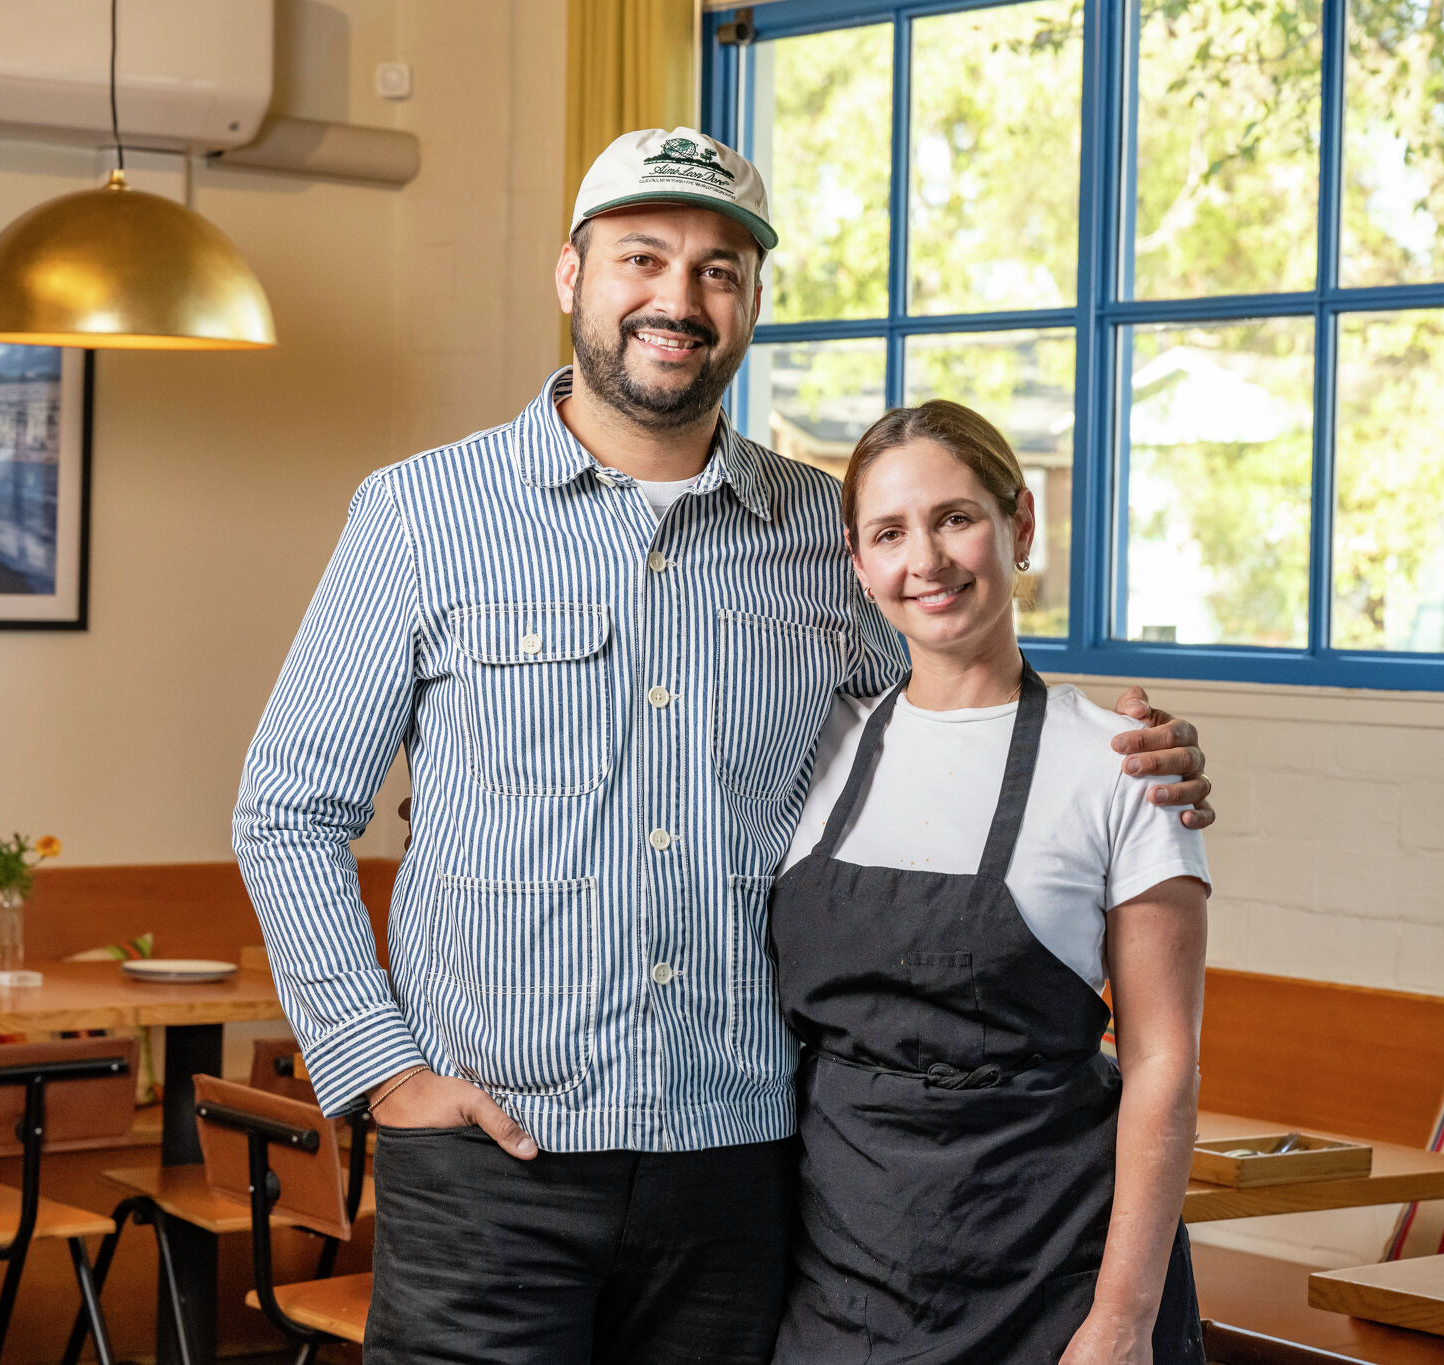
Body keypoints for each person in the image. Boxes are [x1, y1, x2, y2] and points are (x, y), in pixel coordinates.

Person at [233, 127, 1214, 1364]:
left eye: (717, 271)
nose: (679, 298)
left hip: (742, 1168)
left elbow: (948, 718)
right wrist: (381, 1070)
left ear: (749, 301)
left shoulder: (824, 534)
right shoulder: (420, 515)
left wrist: (1122, 759)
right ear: (571, 276)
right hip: (490, 1161)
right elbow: (289, 811)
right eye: (642, 258)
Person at [770, 401, 1211, 1364]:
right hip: (841, 1268)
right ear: (858, 563)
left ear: (1020, 525)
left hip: (1054, 1268)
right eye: (890, 533)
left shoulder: (1123, 764)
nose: (926, 560)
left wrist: (1123, 1319)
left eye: (956, 518)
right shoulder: (810, 746)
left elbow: (1164, 1063)